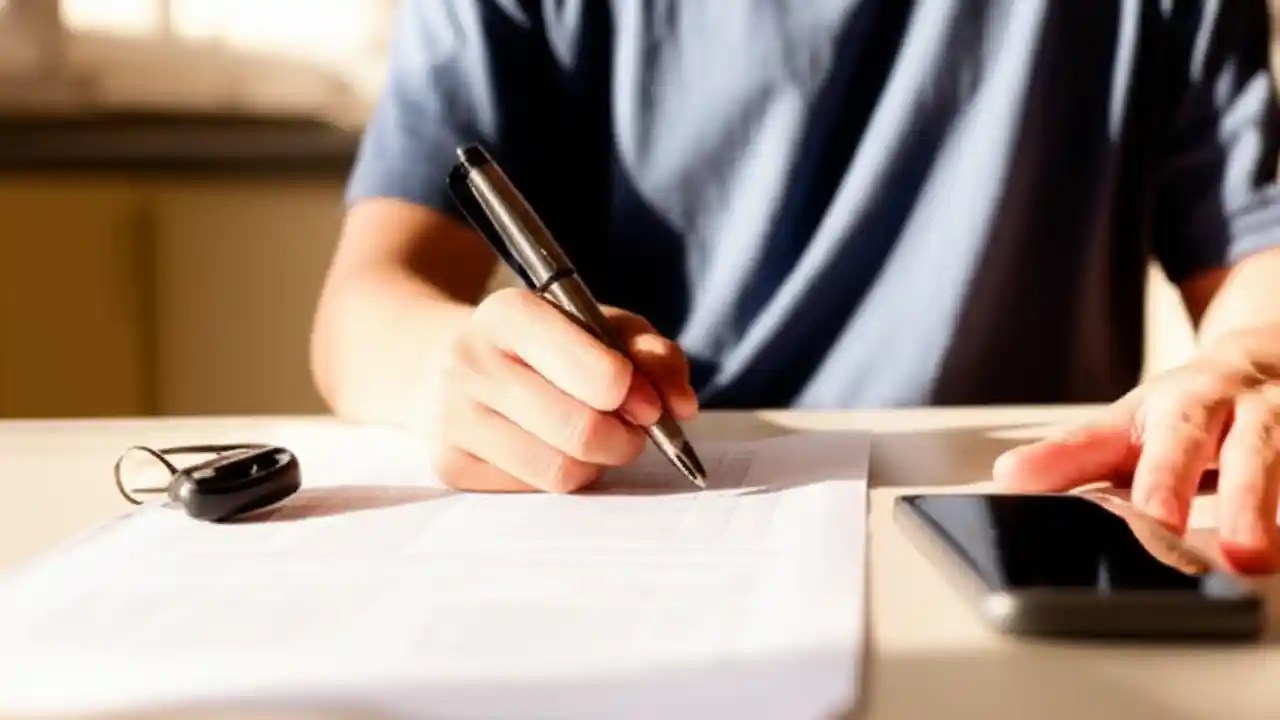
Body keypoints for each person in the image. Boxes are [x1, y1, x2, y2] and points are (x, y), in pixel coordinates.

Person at [310, 1, 1280, 574]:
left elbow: (1253, 260)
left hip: (1012, 539)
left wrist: (1245, 358)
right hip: (628, 536)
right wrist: (445, 368)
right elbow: (365, 303)